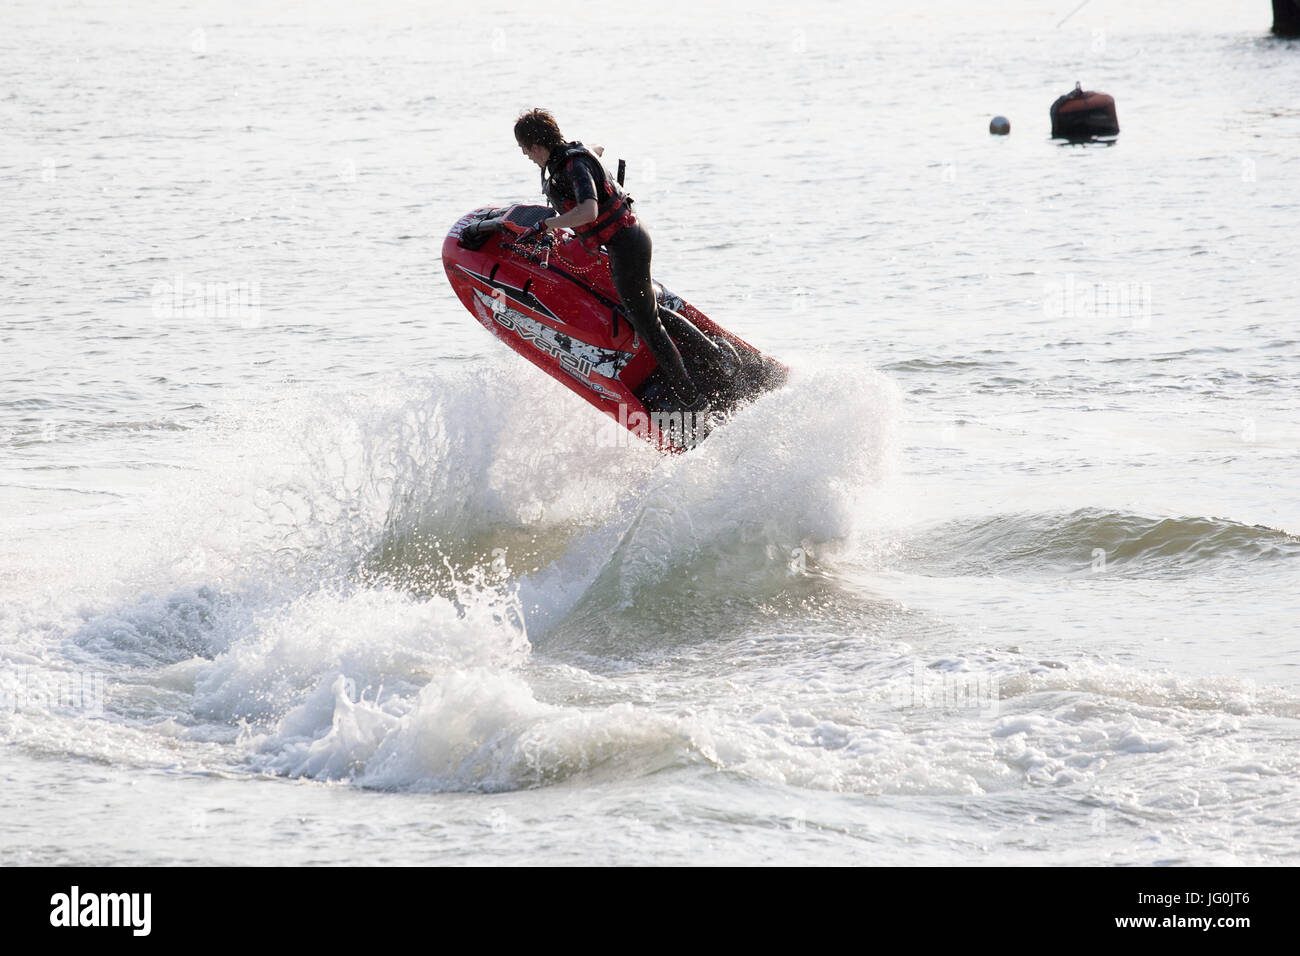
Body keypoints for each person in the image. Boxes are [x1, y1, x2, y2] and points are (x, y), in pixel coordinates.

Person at [513, 108, 736, 409]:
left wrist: (545, 224)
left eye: (525, 150)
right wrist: (592, 157)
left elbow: (588, 211)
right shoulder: (571, 157)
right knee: (645, 312)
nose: (526, 156)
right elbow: (597, 149)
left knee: (649, 326)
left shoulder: (573, 165)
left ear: (535, 145)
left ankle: (692, 397)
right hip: (628, 239)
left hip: (628, 246)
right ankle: (715, 355)